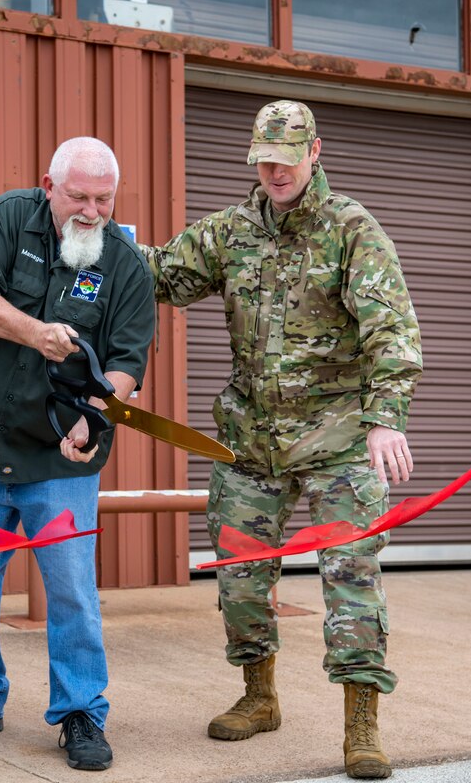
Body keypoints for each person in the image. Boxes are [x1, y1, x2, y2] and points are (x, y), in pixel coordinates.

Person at [139, 100, 423, 780]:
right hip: (250, 442)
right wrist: (87, 236)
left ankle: (361, 724)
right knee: (240, 580)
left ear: (314, 153)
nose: (273, 172)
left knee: (350, 582)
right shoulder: (232, 231)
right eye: (262, 160)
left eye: (286, 160)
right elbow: (160, 273)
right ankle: (259, 696)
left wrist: (386, 415)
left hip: (337, 440)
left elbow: (393, 326)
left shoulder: (352, 229)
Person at [0, 137, 155, 772]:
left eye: (103, 198)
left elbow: (128, 362)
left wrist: (94, 415)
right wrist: (37, 334)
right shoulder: (8, 217)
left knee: (72, 589)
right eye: (77, 196)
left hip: (60, 457)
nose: (91, 210)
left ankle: (81, 711)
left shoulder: (128, 264)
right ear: (49, 186)